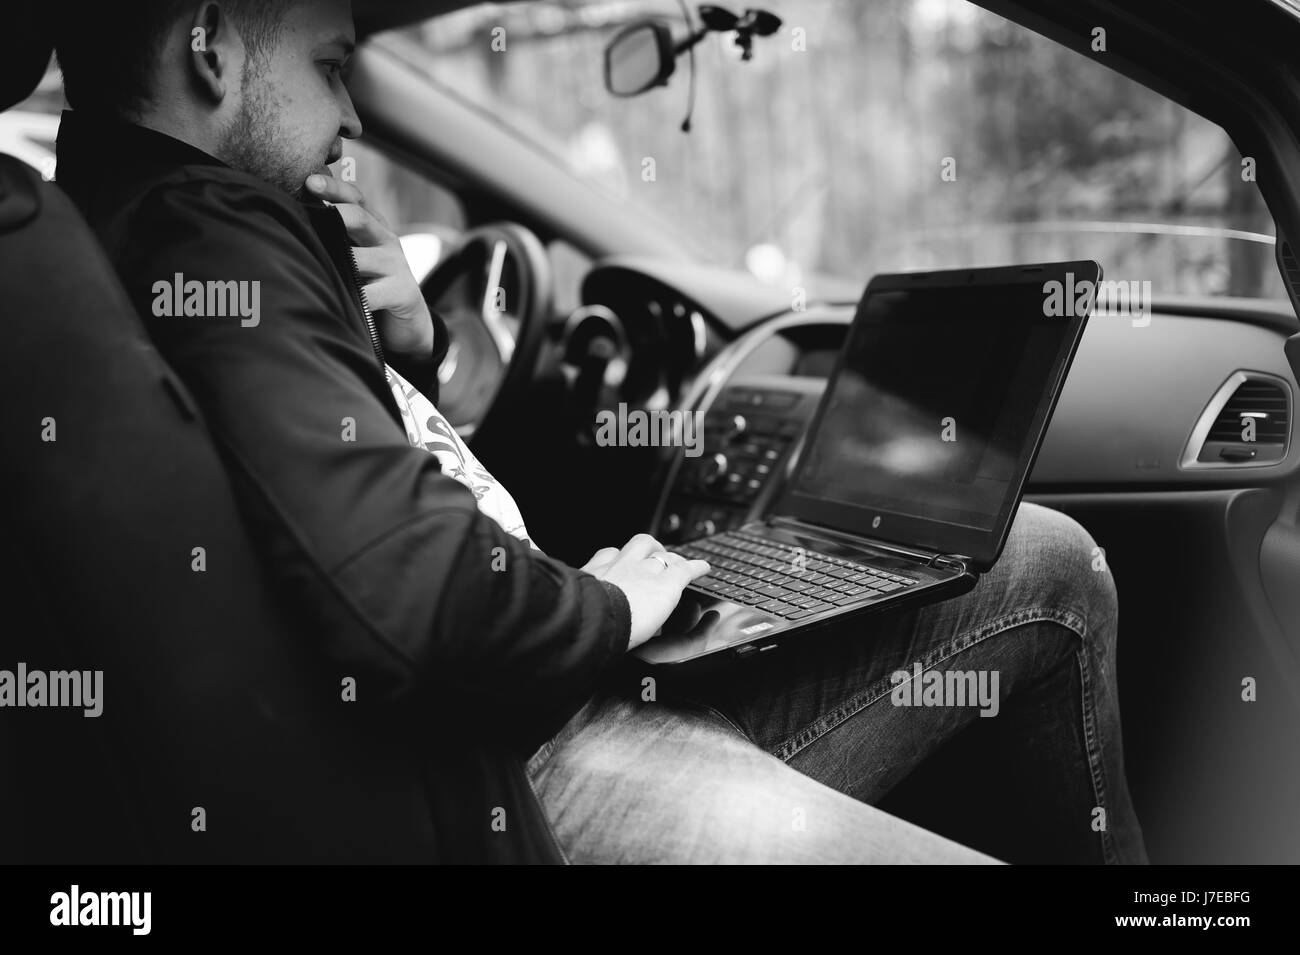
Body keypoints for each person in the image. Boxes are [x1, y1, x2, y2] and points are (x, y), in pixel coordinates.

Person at [50, 0, 1147, 863]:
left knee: (1044, 557)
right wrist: (616, 602)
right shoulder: (212, 227)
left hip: (530, 702)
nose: (355, 119)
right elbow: (416, 597)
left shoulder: (108, 227)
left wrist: (407, 353)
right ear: (210, 50)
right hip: (524, 772)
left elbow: (316, 501)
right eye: (332, 66)